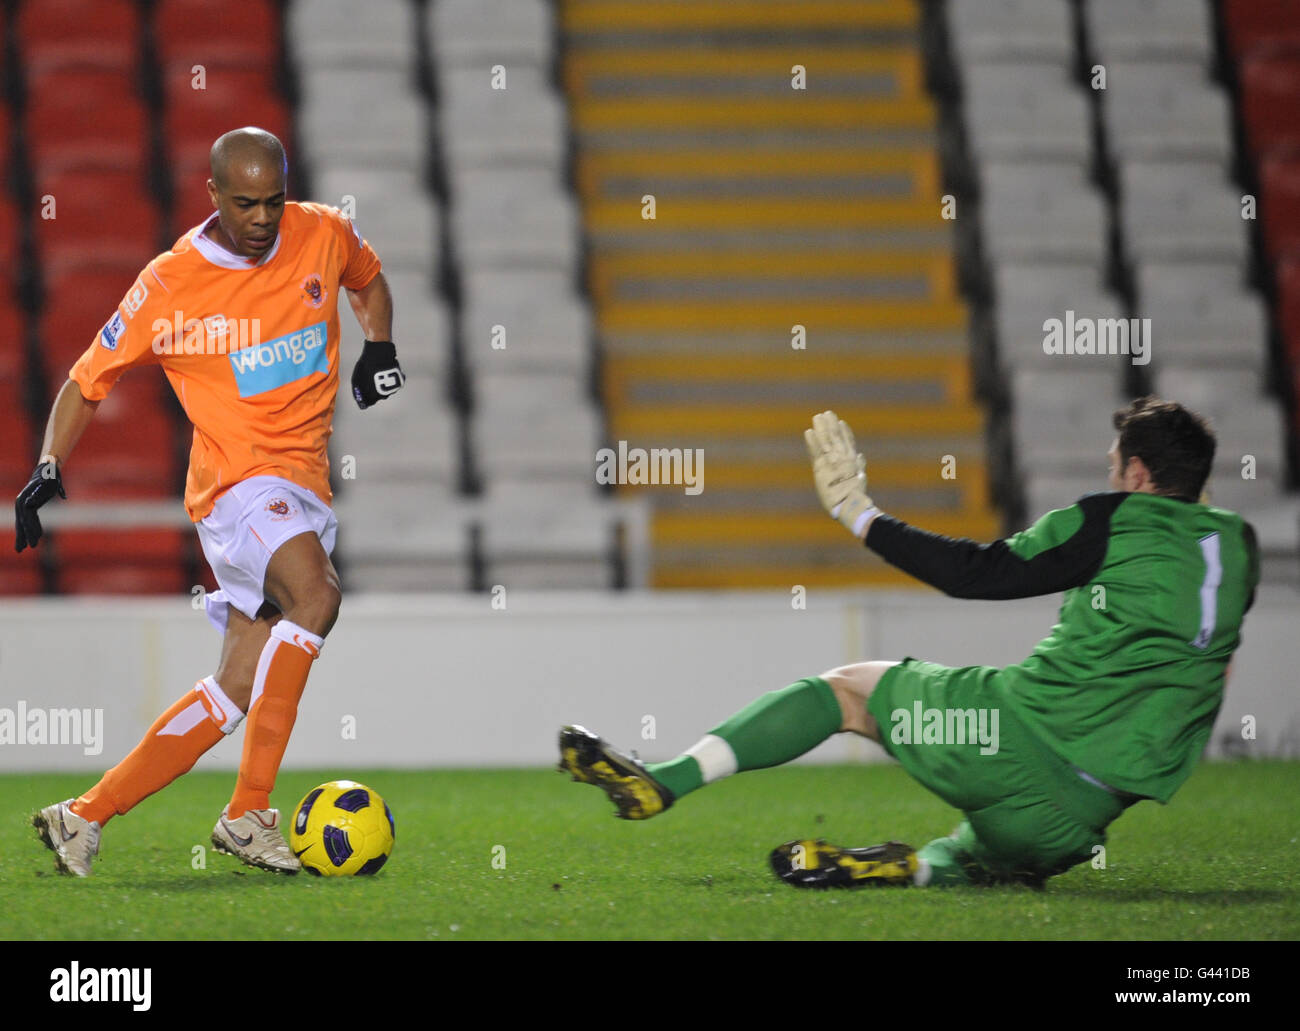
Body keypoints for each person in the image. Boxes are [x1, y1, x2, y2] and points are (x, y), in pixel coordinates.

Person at [559, 398, 1259, 888]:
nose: (1111, 479)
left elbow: (976, 574)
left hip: (1006, 741)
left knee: (847, 692)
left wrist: (858, 514)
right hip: (1081, 822)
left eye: (1115, 468)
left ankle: (663, 782)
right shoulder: (1241, 546)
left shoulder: (1114, 521)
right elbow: (1212, 672)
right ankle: (909, 867)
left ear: (1137, 475)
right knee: (982, 858)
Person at [16, 127, 406, 876]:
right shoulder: (171, 283)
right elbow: (87, 379)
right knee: (318, 597)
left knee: (233, 688)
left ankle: (81, 816)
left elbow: (368, 275)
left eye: (273, 201)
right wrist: (47, 465)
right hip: (238, 486)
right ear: (214, 195)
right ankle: (245, 811)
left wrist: (379, 346)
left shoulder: (322, 231)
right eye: (246, 203)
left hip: (302, 482)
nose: (262, 218)